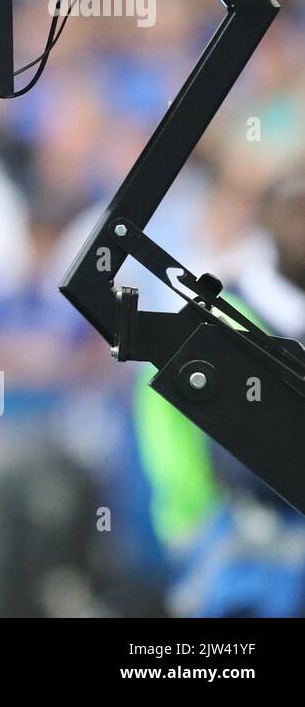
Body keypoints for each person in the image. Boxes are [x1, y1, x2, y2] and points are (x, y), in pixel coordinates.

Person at [135, 172, 305, 617]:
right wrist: (194, 521)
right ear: (267, 220)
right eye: (296, 210)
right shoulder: (224, 317)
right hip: (240, 546)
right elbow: (165, 420)